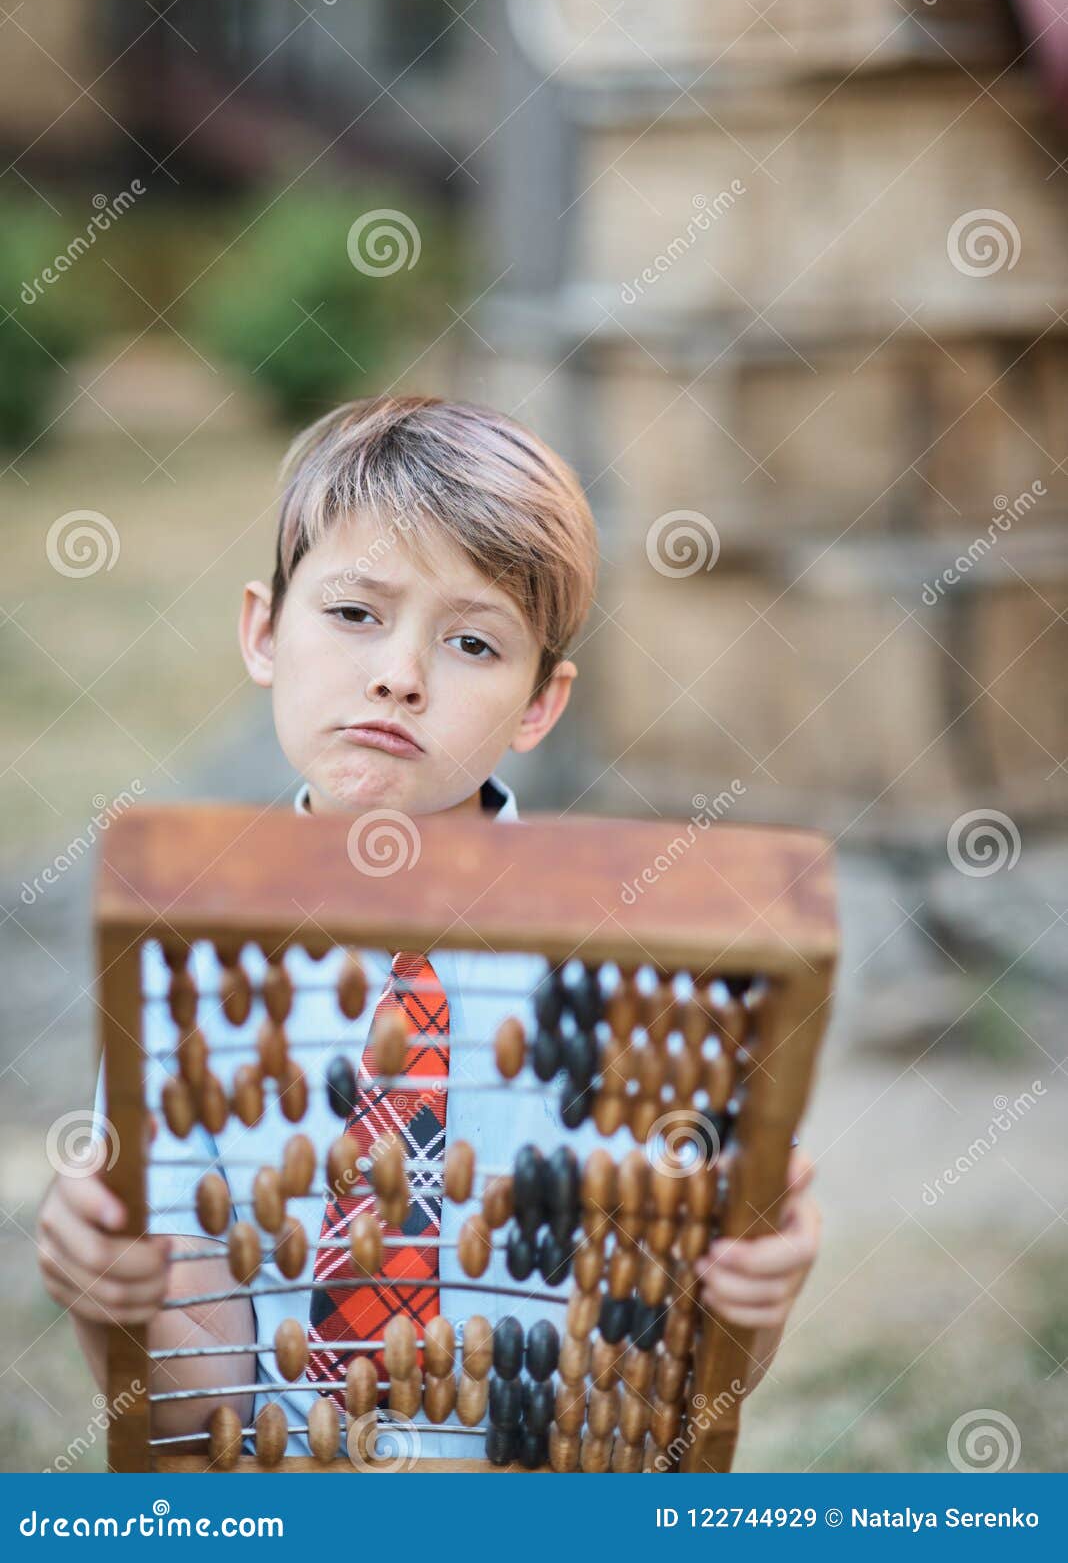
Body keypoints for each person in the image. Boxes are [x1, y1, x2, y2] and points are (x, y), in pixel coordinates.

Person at [36, 394, 821, 1462]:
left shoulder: (639, 984)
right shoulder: (187, 982)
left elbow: (670, 1375)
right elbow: (189, 1411)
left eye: (471, 642)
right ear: (265, 632)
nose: (400, 674)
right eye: (355, 614)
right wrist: (113, 1299)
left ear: (540, 705)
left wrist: (748, 1300)